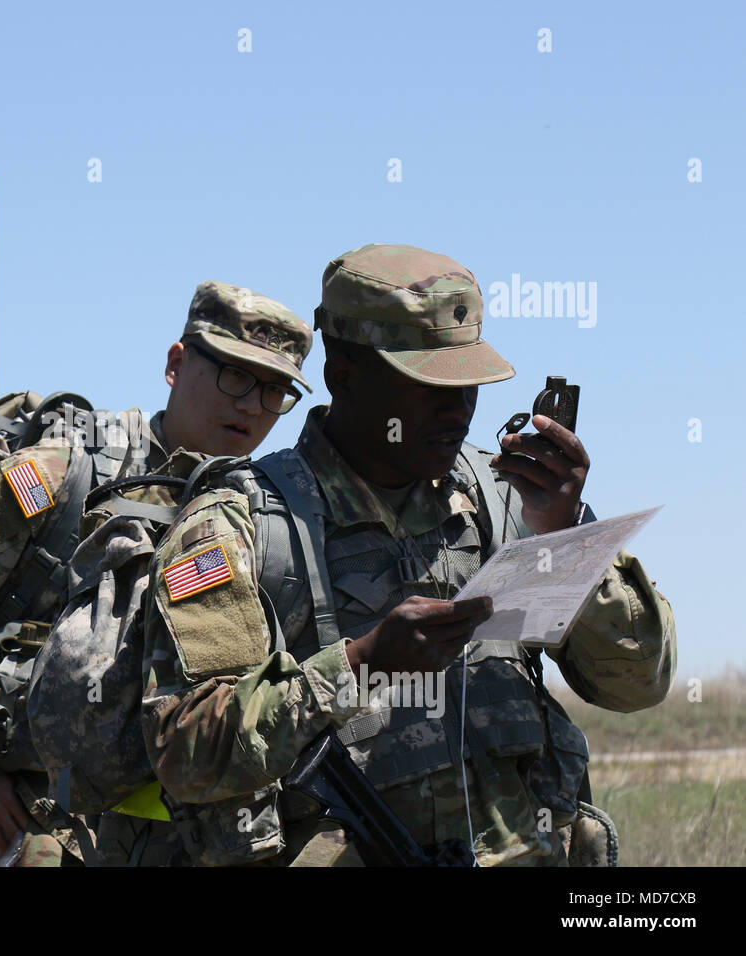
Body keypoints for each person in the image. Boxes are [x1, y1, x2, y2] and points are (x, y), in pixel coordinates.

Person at [140, 244, 676, 866]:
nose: (459, 409)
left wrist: (567, 535)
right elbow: (188, 754)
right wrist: (358, 667)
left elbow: (639, 682)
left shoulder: (508, 502)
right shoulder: (240, 528)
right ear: (343, 372)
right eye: (429, 385)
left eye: (468, 382)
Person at [0, 281, 313, 865]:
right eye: (234, 375)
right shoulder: (65, 469)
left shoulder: (257, 510)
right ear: (176, 365)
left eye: (275, 391)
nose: (252, 406)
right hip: (41, 822)